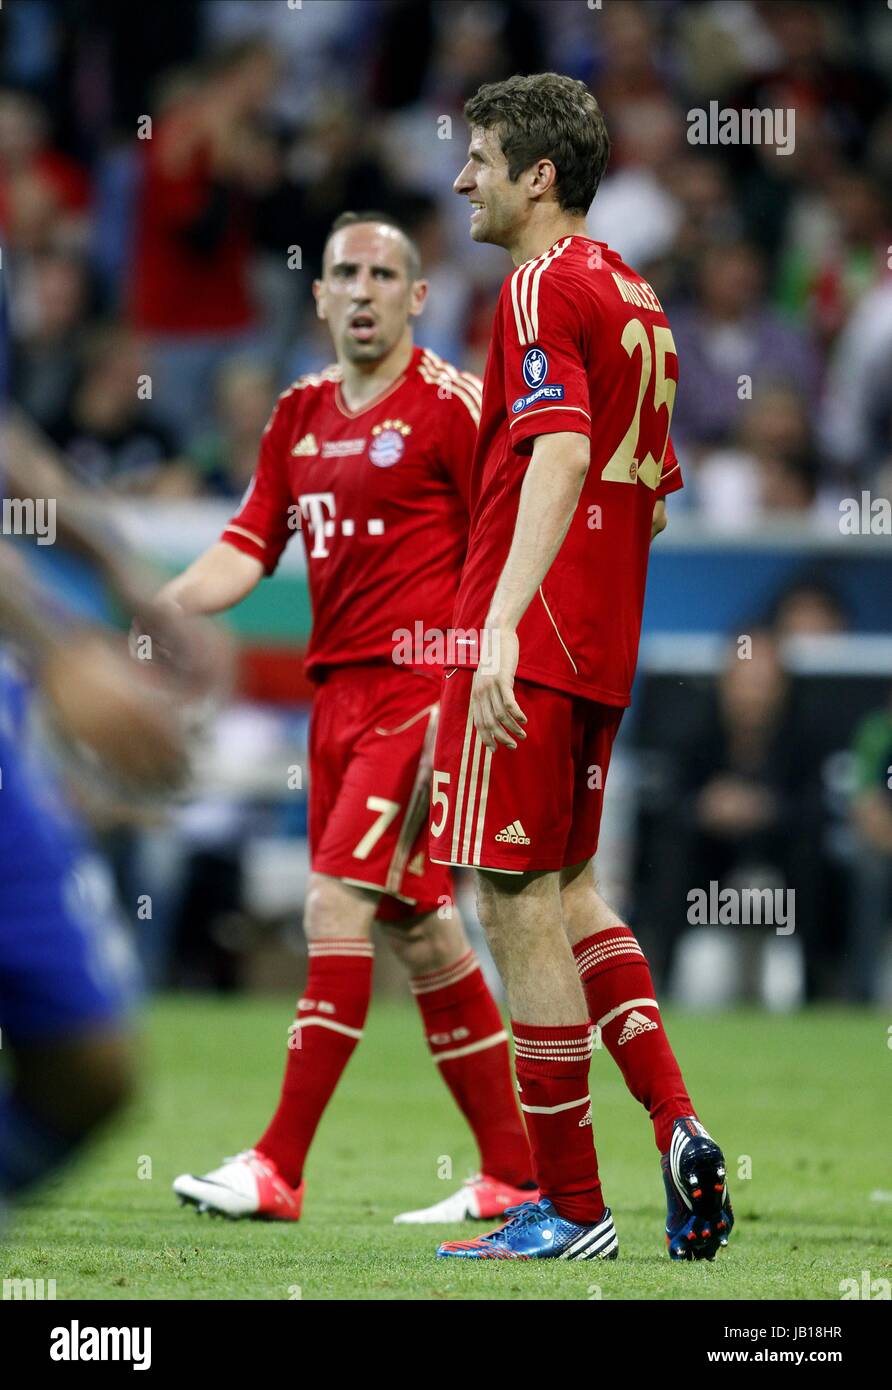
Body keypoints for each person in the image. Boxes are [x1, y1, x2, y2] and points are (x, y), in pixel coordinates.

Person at [159, 211, 537, 1225]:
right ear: (318, 296)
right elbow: (248, 546)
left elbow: (510, 540)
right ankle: (516, 1172)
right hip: (337, 702)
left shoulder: (456, 406)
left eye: (383, 273)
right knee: (421, 931)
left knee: (335, 906)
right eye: (343, 273)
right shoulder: (296, 415)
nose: (362, 289)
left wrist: (487, 667)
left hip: (421, 693)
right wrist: (158, 607)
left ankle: (278, 1163)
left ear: (417, 296)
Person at [429, 73, 733, 1263]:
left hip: (531, 635)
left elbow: (557, 449)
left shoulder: (537, 286)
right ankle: (677, 1121)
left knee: (510, 905)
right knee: (567, 893)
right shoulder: (635, 293)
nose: (463, 180)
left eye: (480, 157)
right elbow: (654, 494)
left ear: (536, 175)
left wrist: (499, 619)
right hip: (603, 643)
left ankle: (568, 1204)